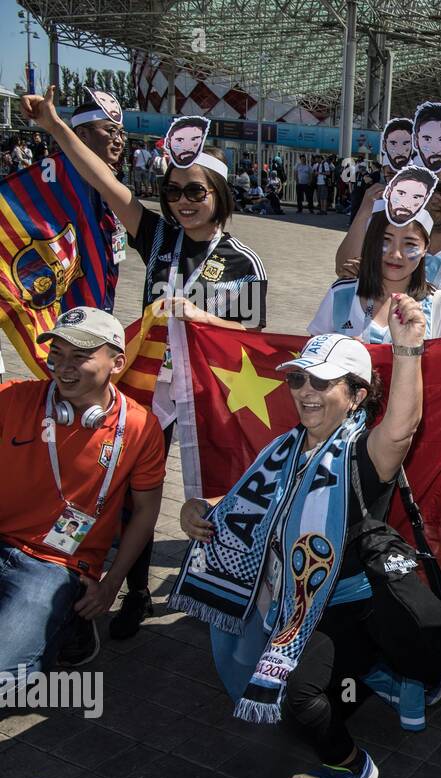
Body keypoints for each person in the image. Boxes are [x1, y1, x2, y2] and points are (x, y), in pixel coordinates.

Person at [24, 87, 270, 643]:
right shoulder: (156, 235)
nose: (182, 201)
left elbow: (254, 338)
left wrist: (201, 320)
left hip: (206, 393)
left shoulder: (243, 261)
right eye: (174, 191)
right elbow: (103, 183)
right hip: (144, 388)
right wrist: (58, 128)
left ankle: (226, 584)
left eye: (195, 192)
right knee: (136, 491)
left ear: (219, 194)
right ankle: (134, 590)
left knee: (212, 487)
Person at [176, 318, 441, 778]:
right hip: (290, 604)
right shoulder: (284, 448)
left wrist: (408, 350)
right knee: (293, 693)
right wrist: (196, 508)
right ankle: (385, 676)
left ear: (356, 395)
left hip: (348, 607)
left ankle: (349, 768)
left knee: (296, 696)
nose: (304, 391)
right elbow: (249, 506)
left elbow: (403, 425)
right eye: (298, 379)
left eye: (320, 382)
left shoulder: (367, 455)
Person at [0, 309, 165, 676]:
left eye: (80, 356)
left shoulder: (140, 428)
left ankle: (71, 623)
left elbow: (145, 511)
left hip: (55, 565)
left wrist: (111, 585)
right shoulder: (13, 398)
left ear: (117, 362)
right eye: (56, 354)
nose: (63, 367)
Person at [335, 144, 441, 334]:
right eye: (425, 188)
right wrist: (364, 211)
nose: (430, 197)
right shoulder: (387, 244)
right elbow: (343, 270)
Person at [309, 204, 441, 342]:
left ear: (425, 248)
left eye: (410, 244)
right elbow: (310, 358)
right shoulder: (341, 294)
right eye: (385, 241)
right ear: (370, 241)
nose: (395, 254)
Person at [68, 90, 129, 313]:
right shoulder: (69, 181)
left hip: (106, 284)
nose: (119, 141)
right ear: (82, 134)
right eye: (111, 131)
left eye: (122, 133)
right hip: (78, 294)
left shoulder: (112, 179)